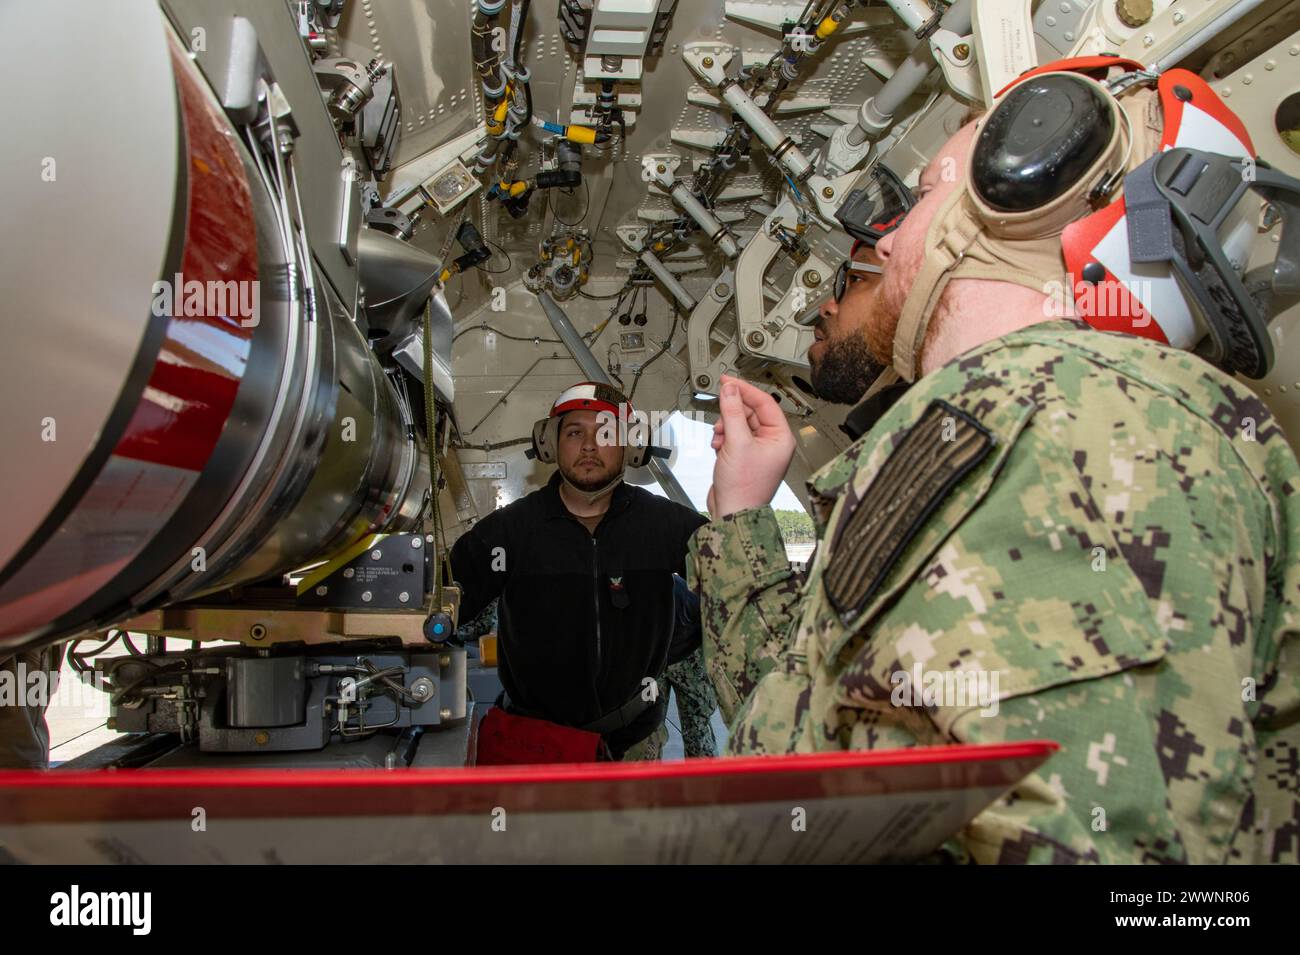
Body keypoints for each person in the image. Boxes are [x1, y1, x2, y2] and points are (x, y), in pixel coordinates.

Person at [690, 58, 1300, 862]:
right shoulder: (1021, 424)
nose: (893, 232)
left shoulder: (1081, 427)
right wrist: (741, 516)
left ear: (1015, 191)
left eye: (925, 195)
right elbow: (800, 736)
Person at [451, 381, 710, 761]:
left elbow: (737, 595)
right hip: (535, 745)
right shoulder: (507, 532)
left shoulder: (667, 526)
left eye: (606, 432)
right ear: (550, 444)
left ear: (630, 447)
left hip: (633, 744)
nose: (589, 445)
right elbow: (441, 608)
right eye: (574, 433)